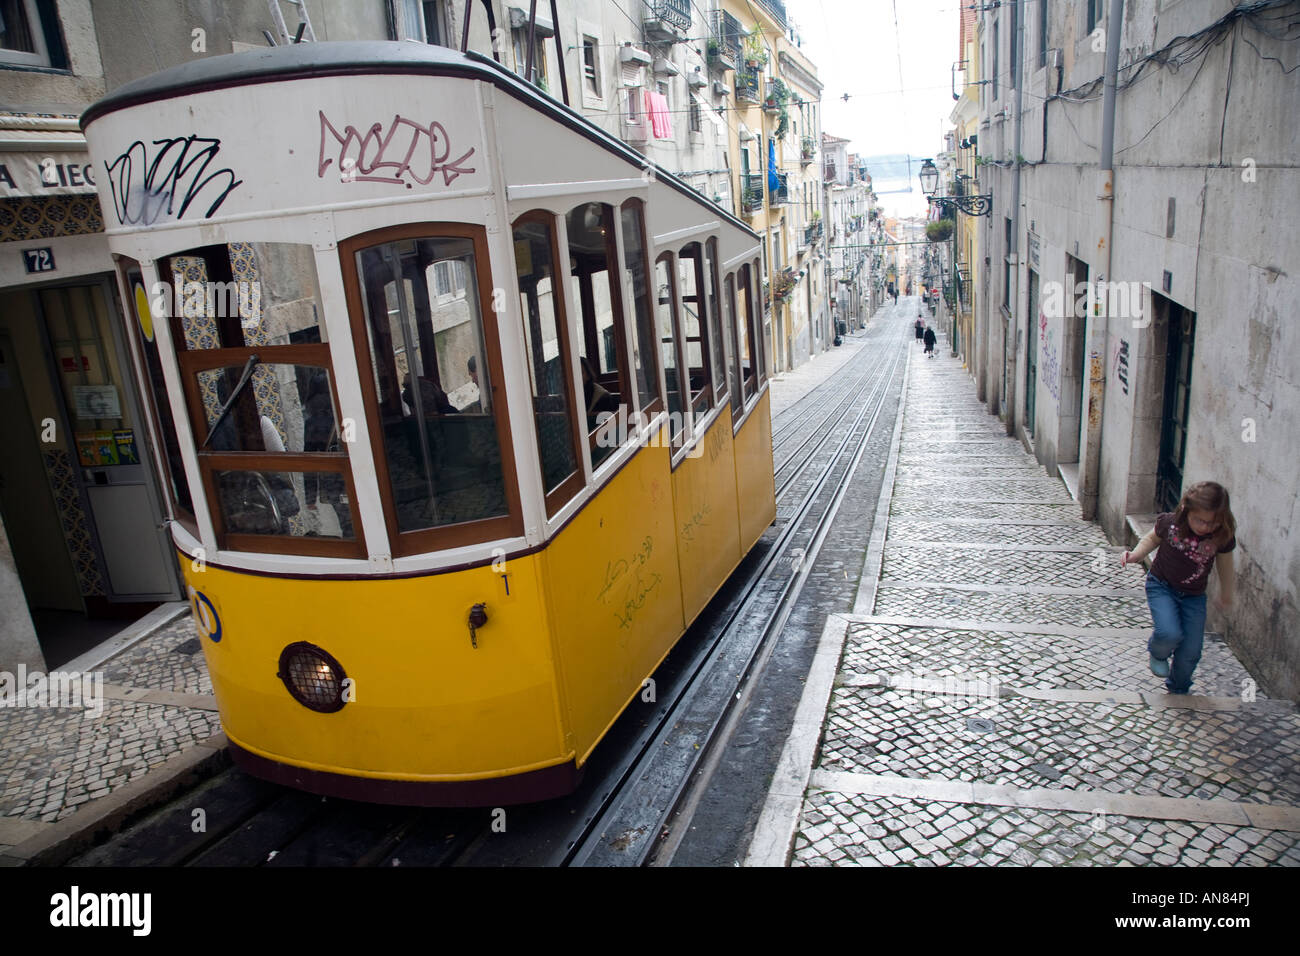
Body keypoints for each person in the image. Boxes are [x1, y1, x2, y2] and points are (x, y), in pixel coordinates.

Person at [1120, 481, 1237, 695]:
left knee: (1192, 650)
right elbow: (1151, 538)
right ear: (1186, 510)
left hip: (1194, 596)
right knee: (1169, 632)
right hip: (1161, 586)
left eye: (1212, 523)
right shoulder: (1171, 523)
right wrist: (1137, 555)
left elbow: (1226, 565)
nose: (1204, 527)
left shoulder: (1222, 535)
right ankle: (1158, 652)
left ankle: (1179, 687)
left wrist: (1227, 593)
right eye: (1198, 520)